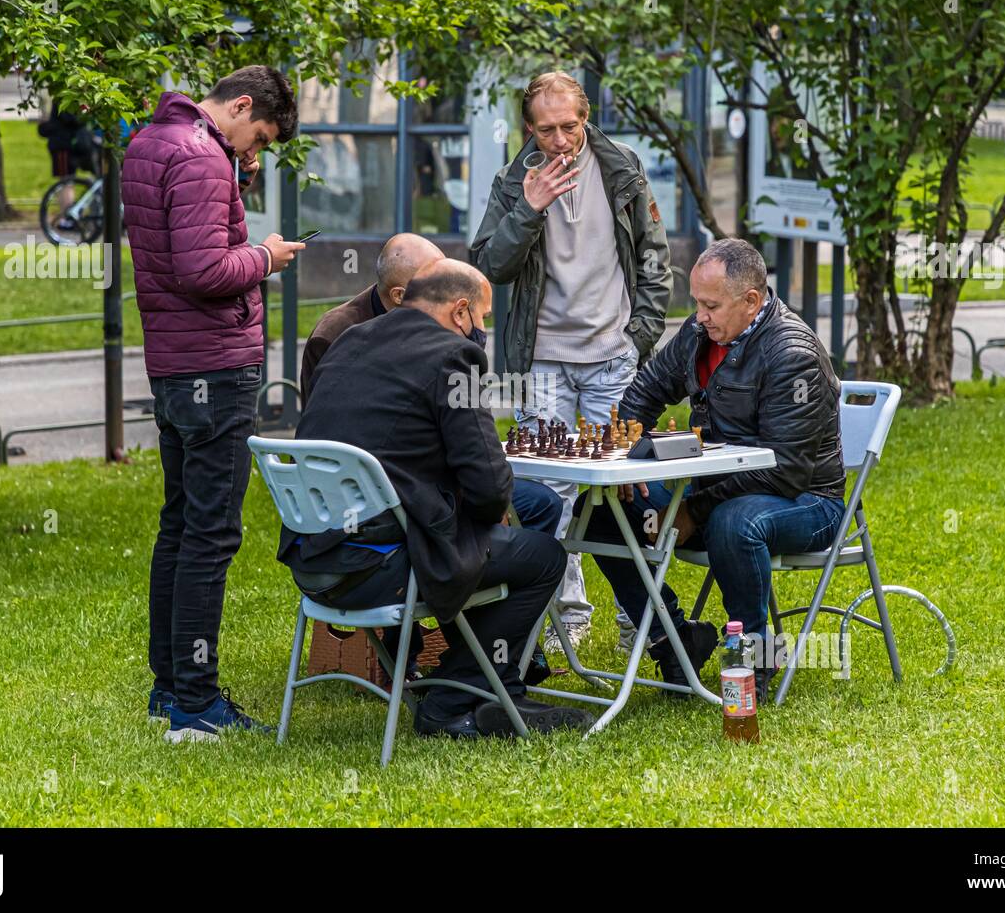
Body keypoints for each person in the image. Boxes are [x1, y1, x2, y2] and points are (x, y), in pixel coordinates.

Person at [280, 259, 594, 738]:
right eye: (482, 319)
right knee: (543, 556)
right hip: (381, 564)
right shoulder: (453, 356)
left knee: (532, 506)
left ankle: (499, 680)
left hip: (314, 558)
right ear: (460, 311)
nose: (482, 330)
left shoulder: (350, 340)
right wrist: (485, 515)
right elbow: (489, 490)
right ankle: (453, 694)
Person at [578, 239, 846, 703]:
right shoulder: (700, 333)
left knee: (734, 523)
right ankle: (675, 642)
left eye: (710, 305)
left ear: (751, 302)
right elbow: (645, 391)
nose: (699, 315)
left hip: (808, 504)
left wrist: (694, 512)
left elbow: (787, 472)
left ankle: (754, 660)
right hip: (714, 495)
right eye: (697, 303)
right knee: (601, 510)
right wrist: (626, 465)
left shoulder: (793, 355)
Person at [122, 65, 305, 742]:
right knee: (211, 535)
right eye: (257, 136)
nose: (253, 151)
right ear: (242, 104)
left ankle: (170, 686)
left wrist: (235, 186)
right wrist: (265, 256)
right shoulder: (202, 156)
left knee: (179, 526)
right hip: (214, 366)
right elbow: (202, 271)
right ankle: (196, 704)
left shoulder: (154, 139)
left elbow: (175, 242)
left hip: (172, 365)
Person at [470, 71, 673, 656]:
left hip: (613, 355)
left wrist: (639, 338)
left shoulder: (622, 164)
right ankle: (566, 617)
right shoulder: (514, 181)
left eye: (570, 125)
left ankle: (642, 619)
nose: (560, 140)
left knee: (628, 493)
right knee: (547, 497)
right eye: (546, 129)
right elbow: (489, 266)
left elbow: (654, 257)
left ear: (585, 118)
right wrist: (529, 209)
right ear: (529, 128)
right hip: (541, 363)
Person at [299, 233, 443, 408]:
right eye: (436, 285)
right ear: (399, 295)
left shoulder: (445, 318)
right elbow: (322, 421)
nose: (449, 292)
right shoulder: (333, 335)